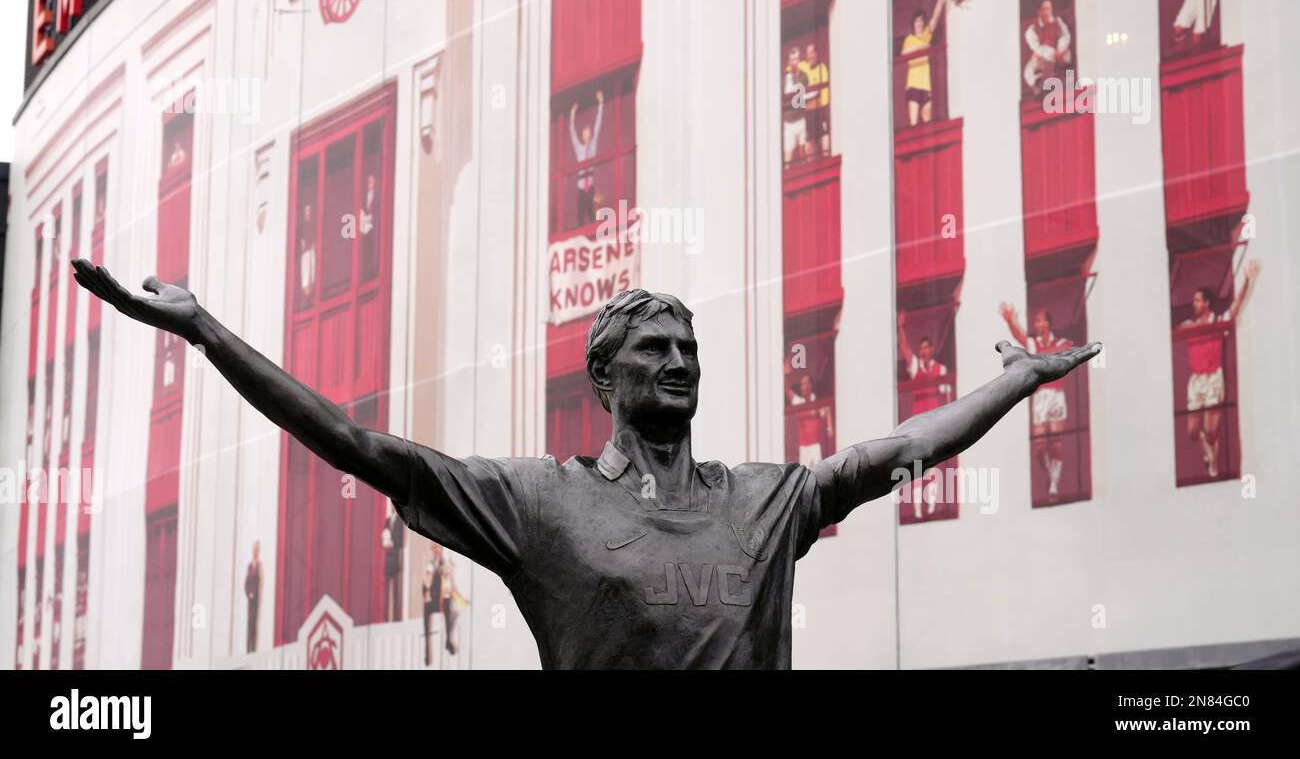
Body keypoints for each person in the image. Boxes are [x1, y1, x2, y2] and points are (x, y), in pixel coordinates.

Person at [71, 261, 1099, 669]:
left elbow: (904, 449)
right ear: (603, 375)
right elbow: (363, 447)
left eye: (691, 350)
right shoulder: (538, 501)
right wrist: (205, 331)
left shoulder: (764, 500)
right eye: (656, 348)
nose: (680, 362)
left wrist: (1017, 379)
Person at [1179, 260, 1259, 479]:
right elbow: (1173, 330)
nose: (1193, 303)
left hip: (1213, 378)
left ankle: (1212, 452)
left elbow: (1236, 306)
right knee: (1193, 431)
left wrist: (1247, 281)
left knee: (1212, 430)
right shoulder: (1189, 325)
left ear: (1206, 303)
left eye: (1197, 300)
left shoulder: (1218, 321)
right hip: (1196, 381)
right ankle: (1208, 451)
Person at [1000, 304, 1074, 497]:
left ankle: (1054, 486)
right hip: (1040, 397)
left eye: (1040, 320)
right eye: (1036, 321)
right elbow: (1020, 336)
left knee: (1056, 442)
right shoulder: (1034, 345)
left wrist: (1041, 357)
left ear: (1048, 323)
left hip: (1057, 395)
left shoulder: (1061, 342)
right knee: (1040, 445)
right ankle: (1051, 475)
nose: (1037, 324)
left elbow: (1066, 351)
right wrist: (1010, 320)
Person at [901, 0, 948, 126]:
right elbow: (904, 53)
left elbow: (935, 17)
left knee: (927, 121)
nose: (919, 23)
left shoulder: (926, 36)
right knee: (913, 122)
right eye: (917, 21)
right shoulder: (909, 39)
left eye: (921, 21)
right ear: (913, 24)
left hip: (926, 85)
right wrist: (922, 47)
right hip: (913, 85)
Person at [897, 311, 950, 416]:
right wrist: (901, 326)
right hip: (918, 418)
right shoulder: (916, 366)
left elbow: (946, 396)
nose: (923, 351)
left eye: (926, 347)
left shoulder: (941, 369)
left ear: (931, 349)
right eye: (921, 348)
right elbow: (905, 348)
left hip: (935, 416)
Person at [569, 91, 605, 226]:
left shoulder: (593, 145)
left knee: (591, 213)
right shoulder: (579, 148)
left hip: (590, 185)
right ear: (582, 136)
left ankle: (593, 234)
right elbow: (572, 132)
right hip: (580, 187)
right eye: (585, 133)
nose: (587, 135)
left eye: (589, 133)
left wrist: (601, 103)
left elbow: (598, 125)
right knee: (580, 215)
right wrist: (572, 115)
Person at [1023, 0, 1072, 95]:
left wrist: (1060, 49)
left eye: (1048, 9)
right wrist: (1050, 53)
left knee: (1065, 60)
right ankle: (1041, 87)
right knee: (1029, 72)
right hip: (1043, 57)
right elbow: (1037, 48)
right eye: (1043, 9)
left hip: (1060, 54)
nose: (1046, 12)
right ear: (1039, 12)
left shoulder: (1058, 22)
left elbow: (1065, 36)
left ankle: (1060, 82)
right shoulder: (1032, 29)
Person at [789, 373, 833, 468]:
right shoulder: (798, 402)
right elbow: (788, 391)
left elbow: (827, 409)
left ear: (810, 385)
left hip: (815, 447)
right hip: (803, 448)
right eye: (801, 384)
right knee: (805, 478)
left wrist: (829, 427)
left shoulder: (816, 402)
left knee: (817, 475)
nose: (803, 387)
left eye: (805, 384)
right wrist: (785, 374)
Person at [782, 46, 810, 165]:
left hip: (800, 119)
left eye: (796, 59)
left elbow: (801, 98)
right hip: (789, 122)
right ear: (789, 61)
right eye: (792, 59)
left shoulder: (803, 76)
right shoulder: (784, 78)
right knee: (788, 157)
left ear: (799, 60)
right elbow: (787, 99)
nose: (794, 62)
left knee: (803, 154)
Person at [802, 43, 830, 155]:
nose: (810, 55)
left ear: (817, 53)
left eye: (812, 52)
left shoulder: (822, 68)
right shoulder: (803, 66)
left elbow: (821, 93)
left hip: (821, 110)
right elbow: (791, 67)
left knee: (824, 140)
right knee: (810, 145)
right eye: (808, 53)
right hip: (809, 112)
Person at [382, 499, 404, 621]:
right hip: (389, 559)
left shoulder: (401, 521)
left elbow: (401, 539)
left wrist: (393, 542)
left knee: (396, 589)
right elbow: (384, 536)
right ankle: (387, 618)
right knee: (387, 589)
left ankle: (396, 617)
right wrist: (385, 542)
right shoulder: (387, 520)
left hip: (397, 558)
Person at [244, 541, 262, 654]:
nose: (255, 552)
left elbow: (260, 582)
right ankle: (248, 647)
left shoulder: (259, 566)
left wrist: (256, 593)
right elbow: (246, 583)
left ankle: (253, 648)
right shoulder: (250, 566)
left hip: (256, 598)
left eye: (257, 550)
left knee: (254, 623)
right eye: (254, 550)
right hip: (250, 598)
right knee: (249, 622)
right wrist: (249, 593)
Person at [297, 202, 316, 303]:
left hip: (311, 251)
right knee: (307, 269)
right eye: (306, 211)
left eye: (309, 211)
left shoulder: (312, 225)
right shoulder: (302, 226)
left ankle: (310, 290)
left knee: (311, 270)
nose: (308, 213)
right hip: (306, 253)